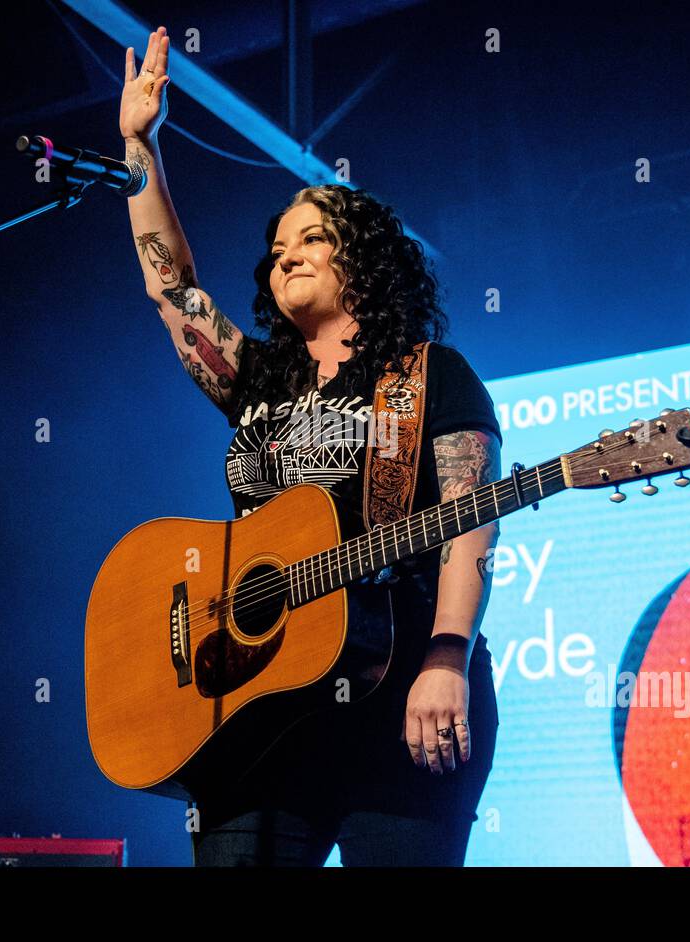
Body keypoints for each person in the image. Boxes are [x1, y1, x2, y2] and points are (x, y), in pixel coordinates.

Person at [121, 26, 502, 866]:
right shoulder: (254, 377)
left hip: (395, 695)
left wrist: (448, 657)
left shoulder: (430, 375)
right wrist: (140, 145)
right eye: (277, 248)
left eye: (311, 238)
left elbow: (470, 525)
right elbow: (171, 286)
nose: (284, 252)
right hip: (257, 717)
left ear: (361, 260)